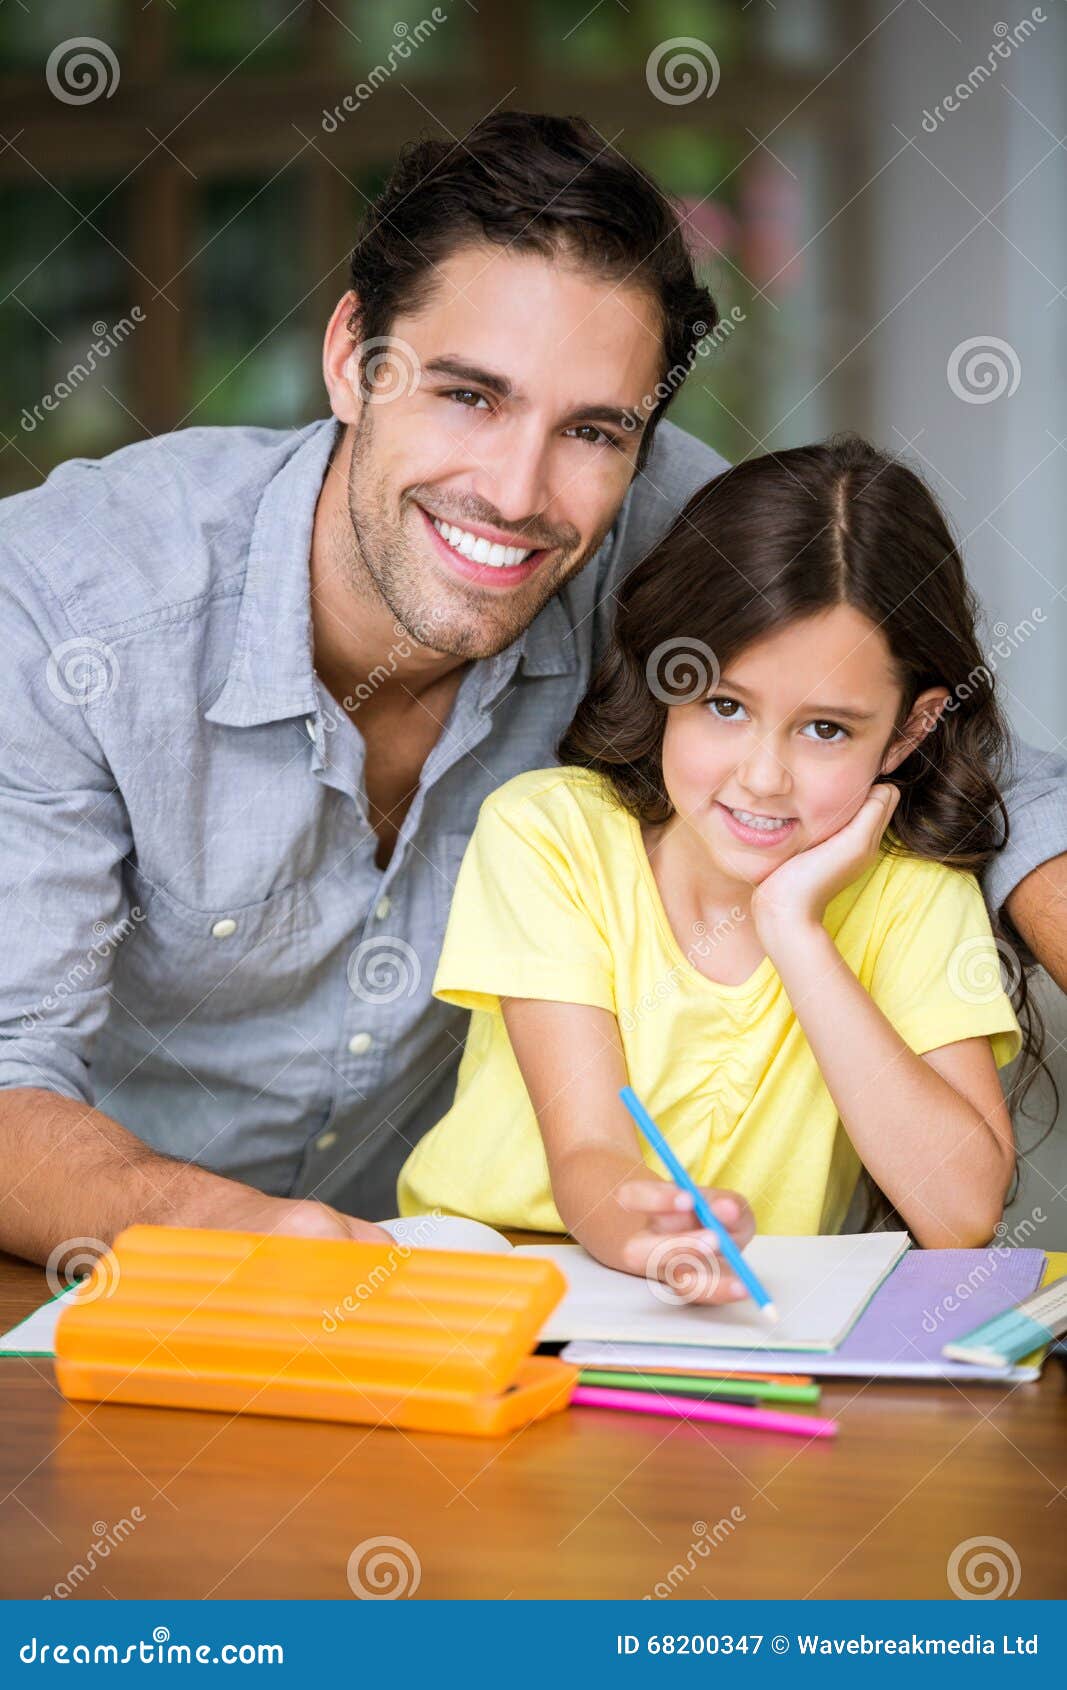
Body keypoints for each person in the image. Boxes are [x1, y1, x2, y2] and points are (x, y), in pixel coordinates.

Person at [0, 115, 1063, 1270]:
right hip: (107, 1273)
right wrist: (238, 1232)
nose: (514, 493)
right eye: (468, 395)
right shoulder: (71, 606)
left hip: (493, 1316)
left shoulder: (654, 543)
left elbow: (965, 758)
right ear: (356, 356)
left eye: (593, 431)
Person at [398, 439, 1033, 1298]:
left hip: (726, 1325)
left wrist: (794, 931)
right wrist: (655, 1235)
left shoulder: (914, 897)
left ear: (912, 729)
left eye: (826, 730)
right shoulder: (550, 835)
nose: (762, 778)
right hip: (490, 1286)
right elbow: (588, 1149)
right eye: (725, 707)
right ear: (667, 678)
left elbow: (959, 1213)